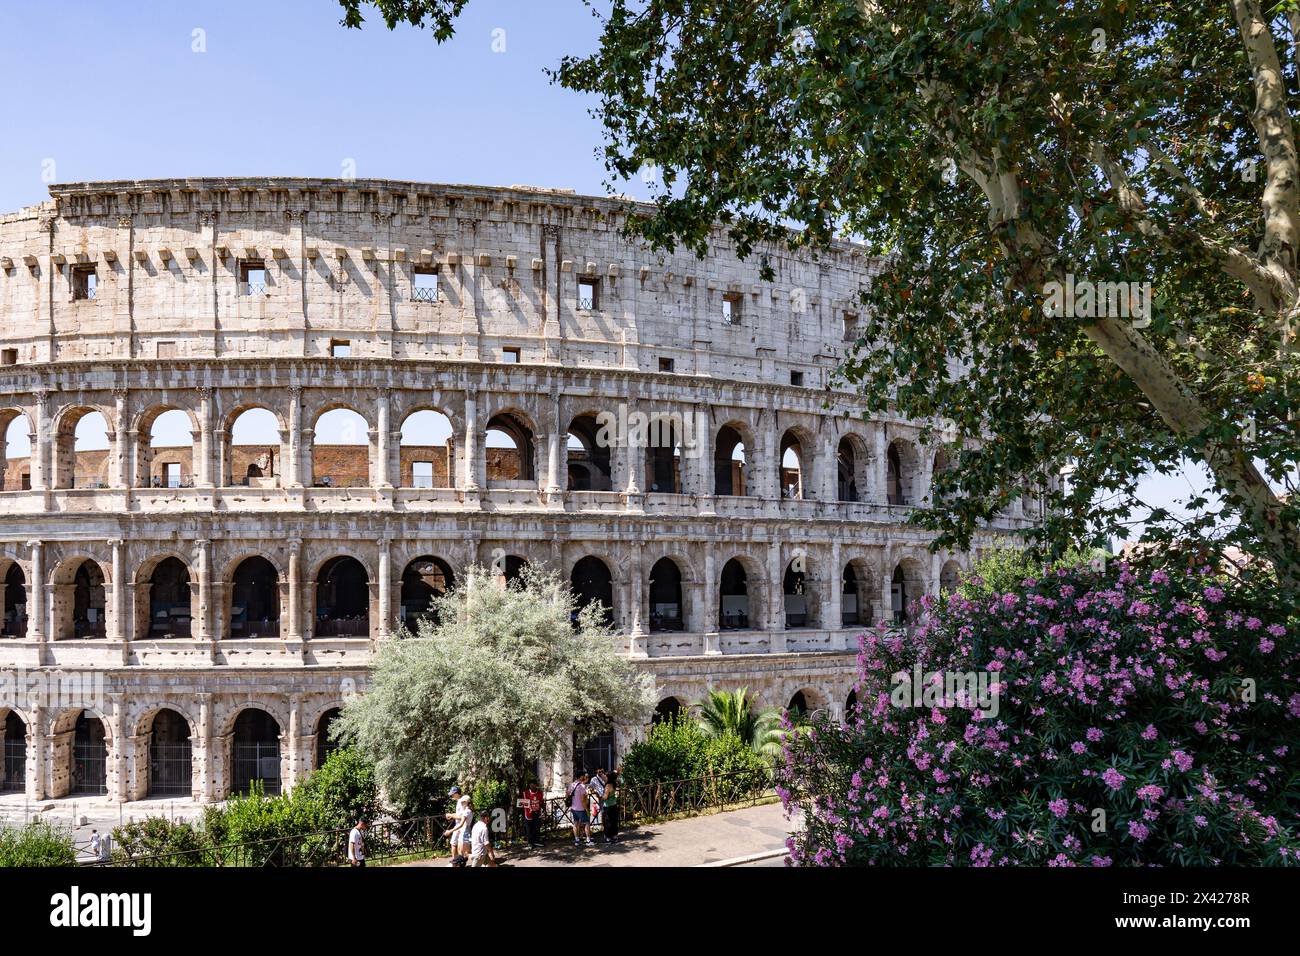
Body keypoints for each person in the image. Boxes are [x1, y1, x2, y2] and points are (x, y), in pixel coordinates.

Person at [443, 786, 474, 863]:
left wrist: (451, 815)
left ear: (457, 793)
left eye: (452, 794)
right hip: (462, 827)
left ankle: (457, 862)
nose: (451, 796)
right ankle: (457, 862)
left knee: (459, 848)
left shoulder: (462, 803)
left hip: (461, 827)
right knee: (460, 848)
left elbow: (461, 817)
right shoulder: (460, 802)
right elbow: (460, 815)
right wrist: (452, 815)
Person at [568, 773, 591, 847]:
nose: (584, 777)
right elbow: (583, 800)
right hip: (581, 808)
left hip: (573, 807)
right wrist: (586, 809)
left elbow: (567, 794)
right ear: (581, 776)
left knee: (576, 823)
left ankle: (577, 840)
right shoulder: (581, 786)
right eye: (583, 775)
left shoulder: (571, 785)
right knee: (587, 823)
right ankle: (588, 840)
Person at [521, 780, 544, 848]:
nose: (532, 787)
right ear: (529, 786)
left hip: (537, 813)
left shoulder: (540, 793)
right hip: (528, 814)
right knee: (529, 829)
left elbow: (541, 802)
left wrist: (541, 806)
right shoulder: (525, 793)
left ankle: (536, 841)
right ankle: (530, 843)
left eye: (534, 785)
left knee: (536, 828)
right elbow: (523, 803)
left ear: (536, 785)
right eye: (531, 785)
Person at [601, 774, 620, 844]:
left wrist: (600, 796)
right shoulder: (614, 784)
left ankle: (608, 837)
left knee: (607, 821)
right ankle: (614, 836)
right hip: (614, 804)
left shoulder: (608, 785)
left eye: (606, 776)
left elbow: (605, 797)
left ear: (608, 778)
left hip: (608, 805)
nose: (604, 777)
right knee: (614, 821)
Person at [588, 768, 608, 832]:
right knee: (602, 811)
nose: (601, 772)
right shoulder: (594, 779)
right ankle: (603, 826)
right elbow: (590, 787)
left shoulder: (605, 777)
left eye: (602, 771)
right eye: (599, 771)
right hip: (599, 797)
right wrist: (596, 792)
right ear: (596, 771)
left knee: (607, 811)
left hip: (607, 796)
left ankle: (606, 825)